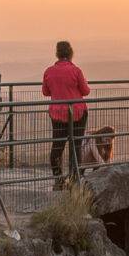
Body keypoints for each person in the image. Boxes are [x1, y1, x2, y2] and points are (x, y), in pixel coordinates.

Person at [42, 40, 90, 186]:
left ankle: (58, 179)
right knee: (75, 146)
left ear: (57, 54)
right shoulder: (76, 71)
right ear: (70, 53)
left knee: (57, 147)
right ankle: (75, 179)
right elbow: (86, 91)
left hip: (57, 114)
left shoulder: (49, 71)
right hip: (78, 112)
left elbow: (45, 92)